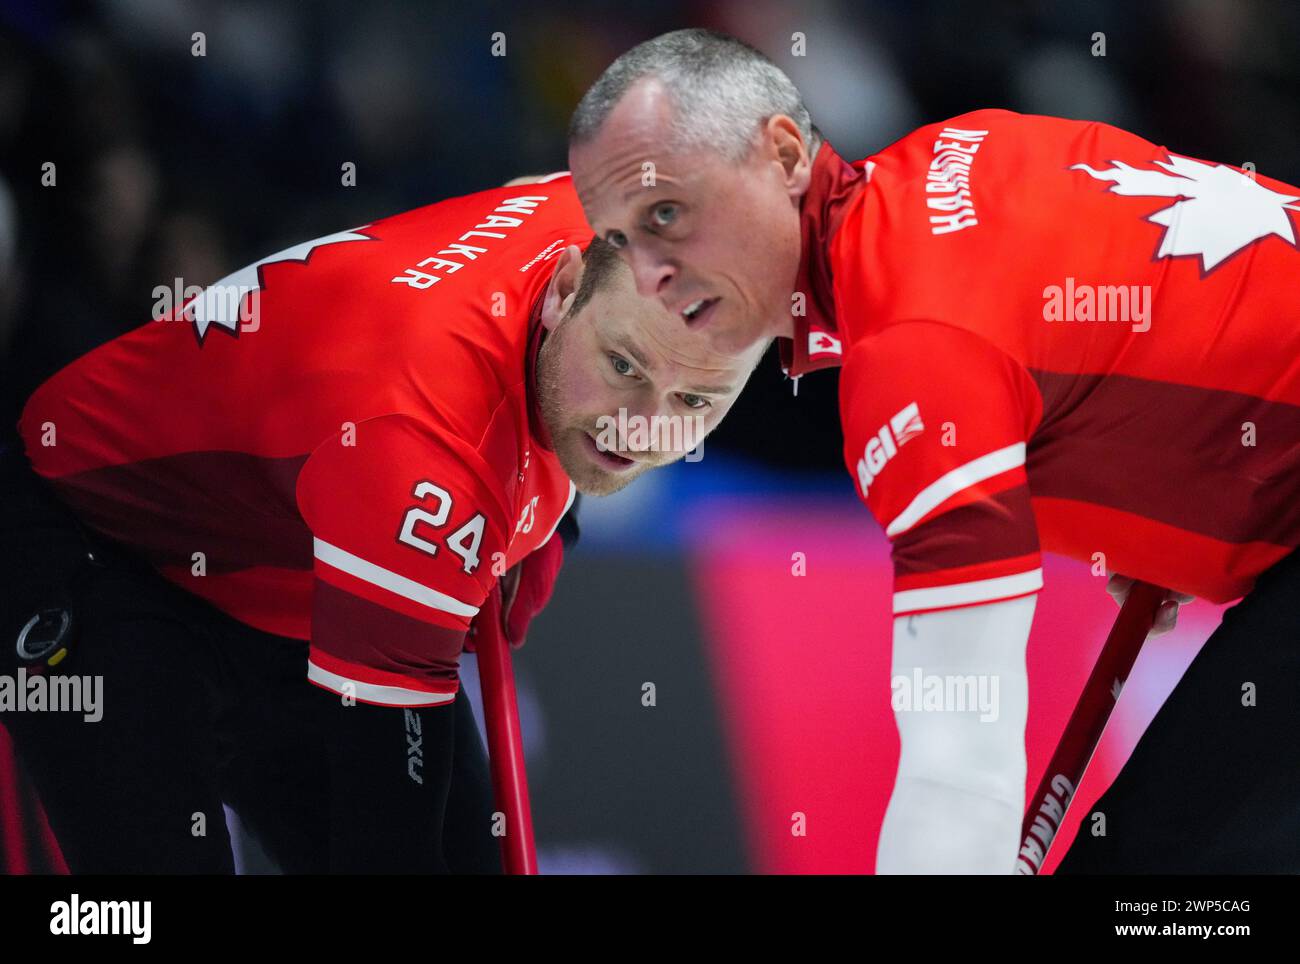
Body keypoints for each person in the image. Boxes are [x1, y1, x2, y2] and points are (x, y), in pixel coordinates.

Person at [566, 28, 1300, 873]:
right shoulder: (959, 149)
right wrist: (1175, 484)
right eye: (619, 242)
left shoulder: (912, 347)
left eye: (666, 215)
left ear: (780, 153)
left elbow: (960, 759)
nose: (649, 275)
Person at [0, 172, 766, 873]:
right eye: (623, 367)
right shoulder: (421, 451)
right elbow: (387, 836)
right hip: (89, 535)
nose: (639, 430)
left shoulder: (597, 208)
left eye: (693, 403)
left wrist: (553, 508)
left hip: (293, 560)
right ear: (567, 286)